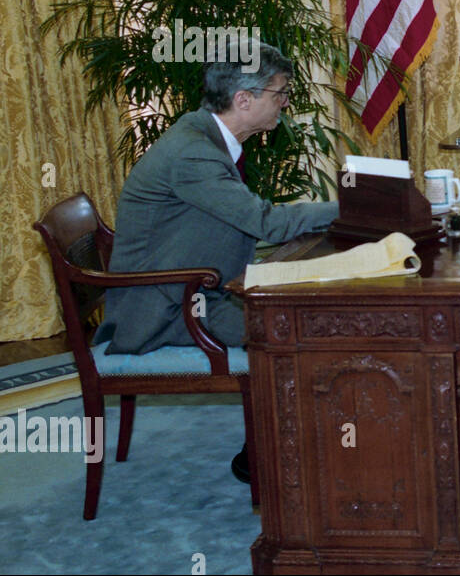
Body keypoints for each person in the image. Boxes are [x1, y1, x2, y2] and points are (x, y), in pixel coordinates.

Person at [93, 40, 339, 482]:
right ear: (243, 100)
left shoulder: (203, 133)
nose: (285, 103)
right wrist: (352, 208)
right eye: (280, 93)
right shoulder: (194, 154)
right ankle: (262, 456)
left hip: (192, 288)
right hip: (168, 306)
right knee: (293, 331)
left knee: (298, 313)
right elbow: (264, 221)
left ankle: (283, 441)